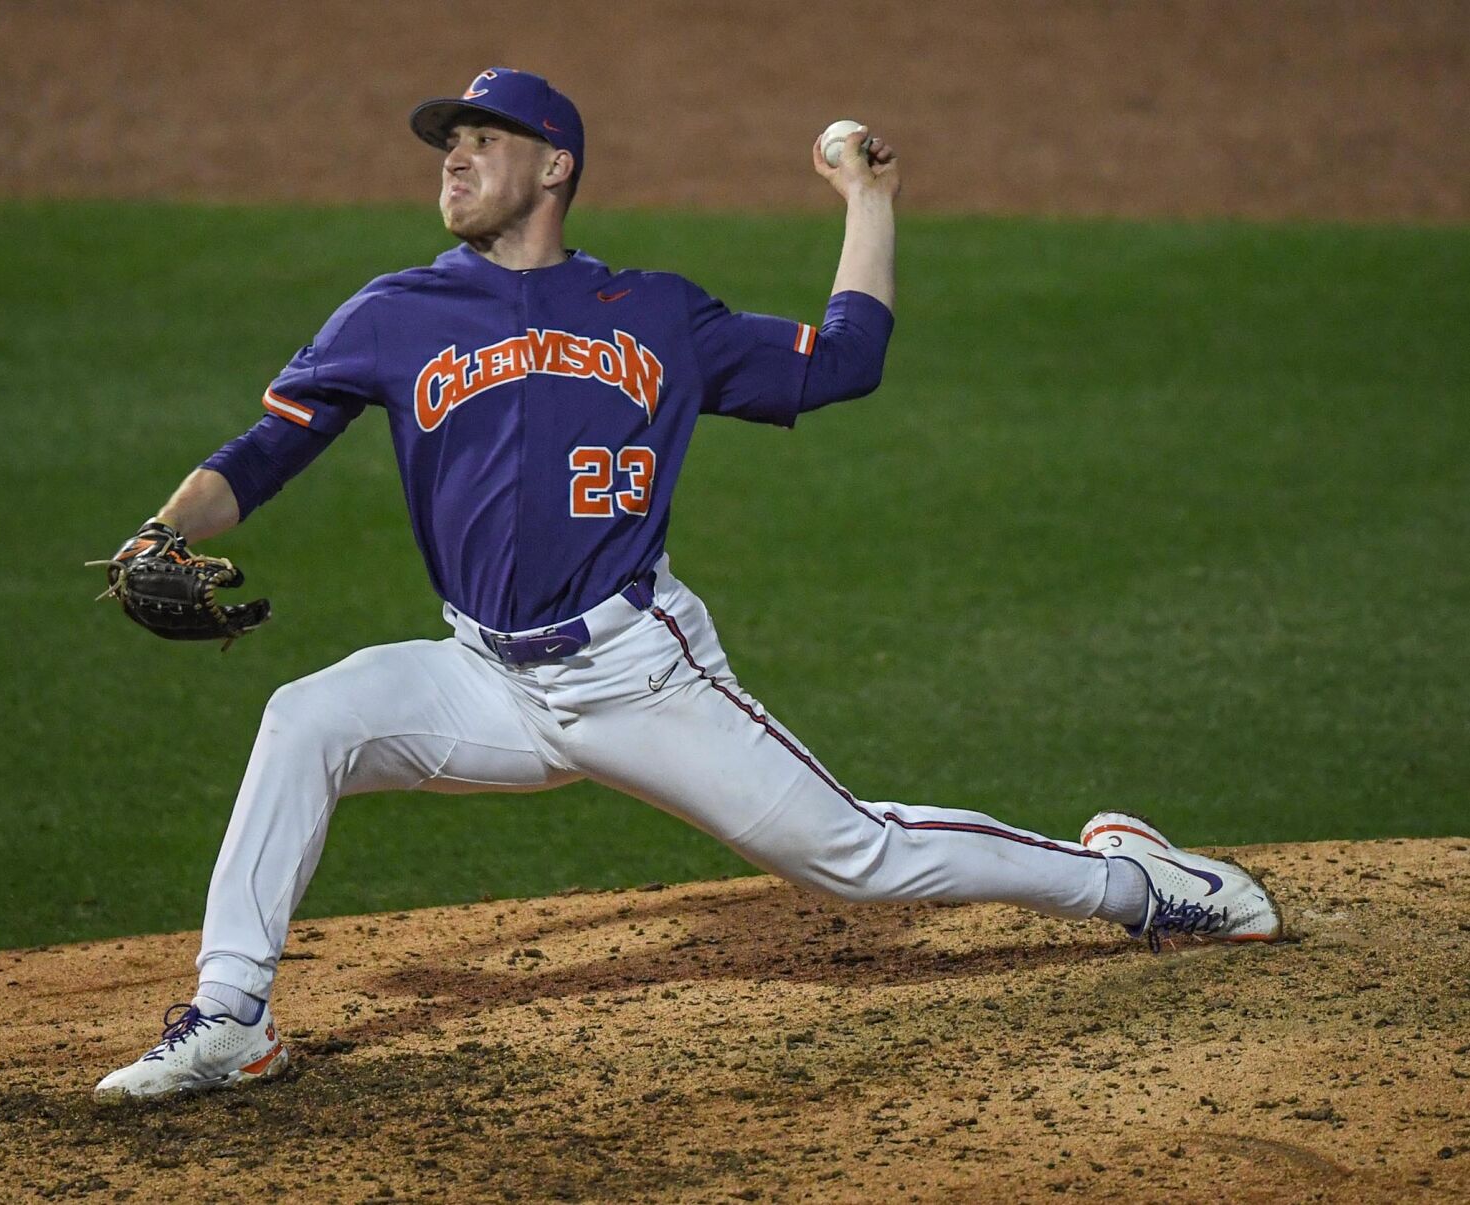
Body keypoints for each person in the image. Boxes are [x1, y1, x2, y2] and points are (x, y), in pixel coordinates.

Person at [92, 69, 1281, 1103]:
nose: (453, 157)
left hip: (637, 673)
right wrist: (162, 526)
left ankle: (1138, 882)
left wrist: (868, 202)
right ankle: (233, 1016)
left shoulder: (652, 311)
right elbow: (267, 448)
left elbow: (844, 363)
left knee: (855, 857)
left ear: (553, 165)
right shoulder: (394, 312)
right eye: (446, 140)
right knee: (308, 717)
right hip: (478, 674)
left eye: (481, 138)